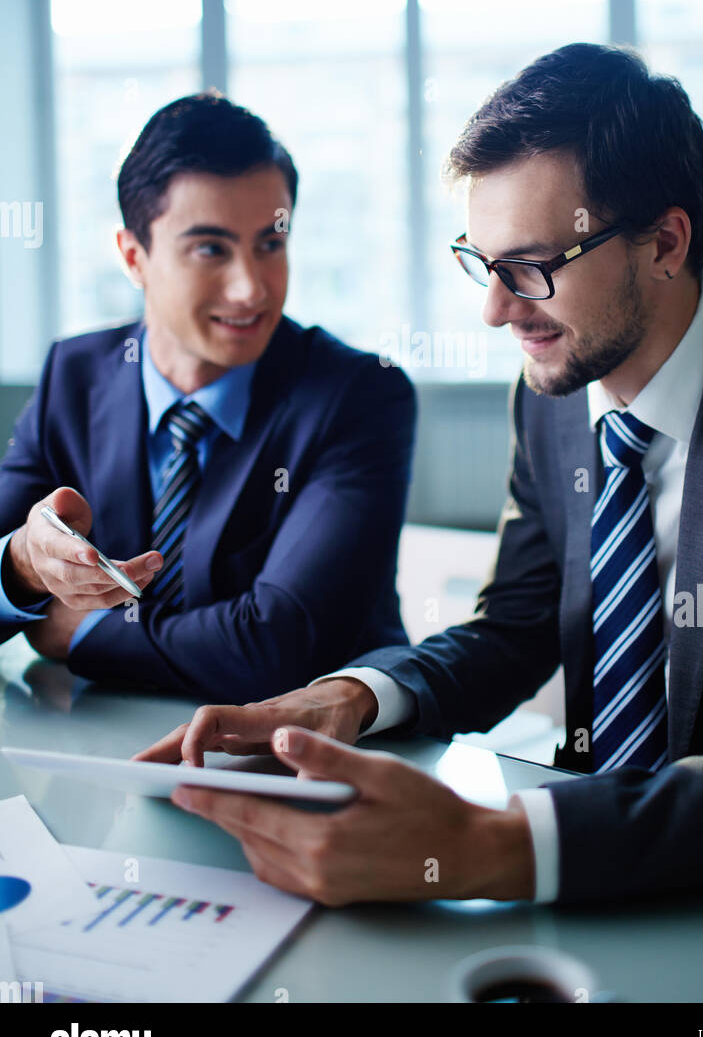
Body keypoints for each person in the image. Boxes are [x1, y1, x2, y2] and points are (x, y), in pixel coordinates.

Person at [138, 44, 703, 906]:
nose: (495, 309)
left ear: (666, 242)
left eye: (531, 268)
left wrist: (491, 847)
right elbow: (519, 625)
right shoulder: (555, 396)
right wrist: (353, 697)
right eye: (482, 264)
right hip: (588, 906)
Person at [0, 92, 415, 702]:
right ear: (133, 257)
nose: (251, 288)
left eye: (270, 244)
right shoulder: (76, 373)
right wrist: (21, 567)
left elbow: (279, 647)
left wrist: (81, 632)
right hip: (102, 753)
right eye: (210, 249)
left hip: (309, 766)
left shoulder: (358, 395)